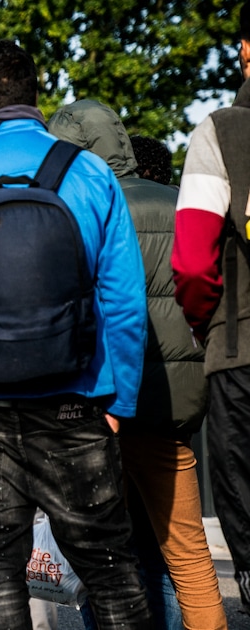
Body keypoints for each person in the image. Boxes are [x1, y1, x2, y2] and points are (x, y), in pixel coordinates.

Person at [0, 39, 151, 629]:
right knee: (112, 571)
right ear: (36, 99)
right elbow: (123, 301)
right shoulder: (87, 174)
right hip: (75, 401)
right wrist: (118, 403)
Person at [49, 98, 226, 629]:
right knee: (189, 558)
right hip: (173, 409)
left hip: (100, 411)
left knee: (102, 561)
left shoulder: (82, 210)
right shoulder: (180, 204)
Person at [171, 4, 250, 613]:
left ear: (246, 51)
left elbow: (195, 259)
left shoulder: (221, 130)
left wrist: (207, 325)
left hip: (241, 350)